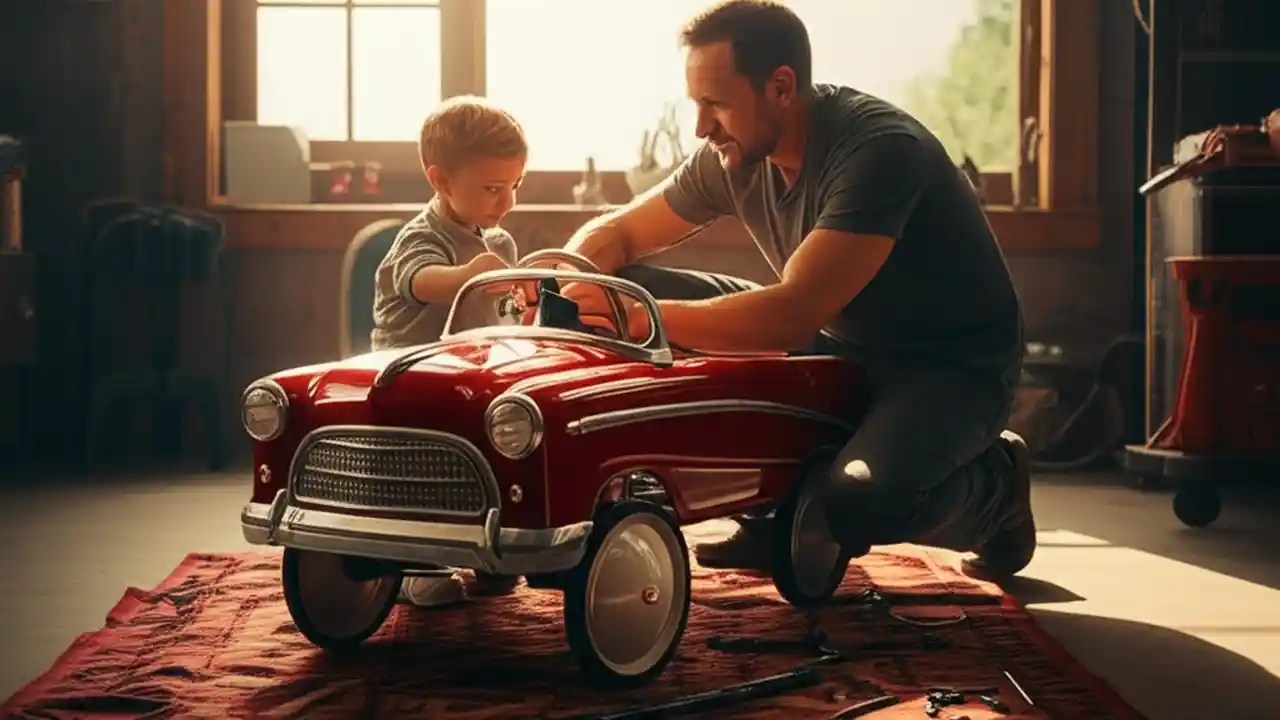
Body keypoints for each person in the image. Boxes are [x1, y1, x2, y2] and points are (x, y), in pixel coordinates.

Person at [559, 0, 1036, 579]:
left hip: (946, 367)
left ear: (781, 87)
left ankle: (999, 487)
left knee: (861, 503)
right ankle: (775, 513)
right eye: (696, 104)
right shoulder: (731, 152)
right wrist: (566, 278)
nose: (701, 127)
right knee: (611, 290)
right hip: (834, 338)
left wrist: (644, 319)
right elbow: (622, 231)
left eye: (717, 104)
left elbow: (790, 313)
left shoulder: (879, 150)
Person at [370, 95, 528, 605]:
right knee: (422, 469)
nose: (506, 202)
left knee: (498, 451)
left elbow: (505, 311)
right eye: (492, 189)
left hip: (473, 372)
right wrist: (466, 276)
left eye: (514, 187)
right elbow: (421, 281)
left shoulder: (500, 243)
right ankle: (417, 562)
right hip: (411, 376)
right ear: (440, 180)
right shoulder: (421, 237)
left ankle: (491, 550)